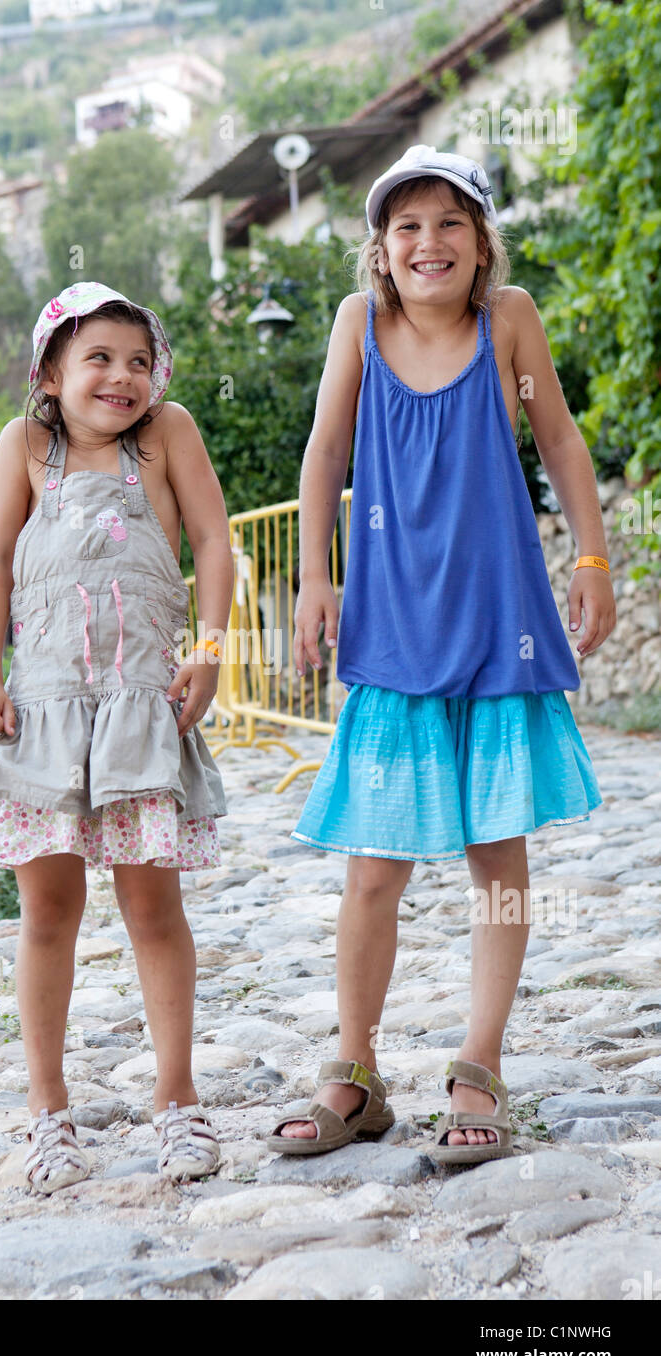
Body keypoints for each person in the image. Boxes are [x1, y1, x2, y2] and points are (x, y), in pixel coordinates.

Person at [267, 146, 615, 1165]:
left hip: (496, 619)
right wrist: (313, 578)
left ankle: (477, 1060)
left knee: (495, 862)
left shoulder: (505, 319)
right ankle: (354, 1068)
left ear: (479, 243)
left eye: (448, 224)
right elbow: (324, 452)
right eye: (406, 227)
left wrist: (587, 555)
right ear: (379, 248)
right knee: (373, 870)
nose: (428, 243)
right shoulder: (356, 328)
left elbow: (557, 441)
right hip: (393, 626)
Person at [0, 281, 234, 1191]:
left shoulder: (167, 435)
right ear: (52, 372)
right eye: (99, 359)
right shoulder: (26, 447)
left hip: (142, 710)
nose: (123, 377)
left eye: (140, 361)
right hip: (42, 714)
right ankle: (48, 1115)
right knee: (48, 914)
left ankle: (178, 1102)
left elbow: (216, 541)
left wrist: (214, 649)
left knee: (153, 911)